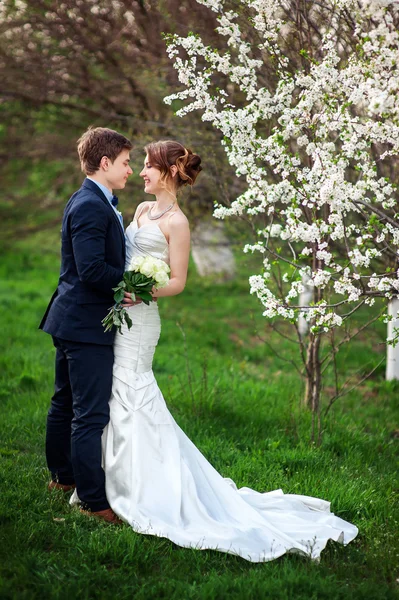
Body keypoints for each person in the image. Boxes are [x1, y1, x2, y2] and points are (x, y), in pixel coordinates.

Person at [71, 139, 358, 562]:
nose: (142, 173)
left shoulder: (178, 223)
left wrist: (140, 291)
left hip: (141, 317)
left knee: (133, 390)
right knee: (115, 395)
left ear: (168, 173)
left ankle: (146, 489)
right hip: (119, 313)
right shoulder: (139, 211)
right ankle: (113, 481)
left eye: (148, 167)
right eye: (141, 166)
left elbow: (179, 282)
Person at [40, 126, 134, 524]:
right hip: (84, 324)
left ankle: (62, 477)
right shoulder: (90, 205)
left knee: (65, 403)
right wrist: (130, 286)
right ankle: (94, 501)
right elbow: (92, 268)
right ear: (105, 162)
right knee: (88, 414)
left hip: (71, 317)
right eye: (127, 163)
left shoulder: (96, 199)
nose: (131, 170)